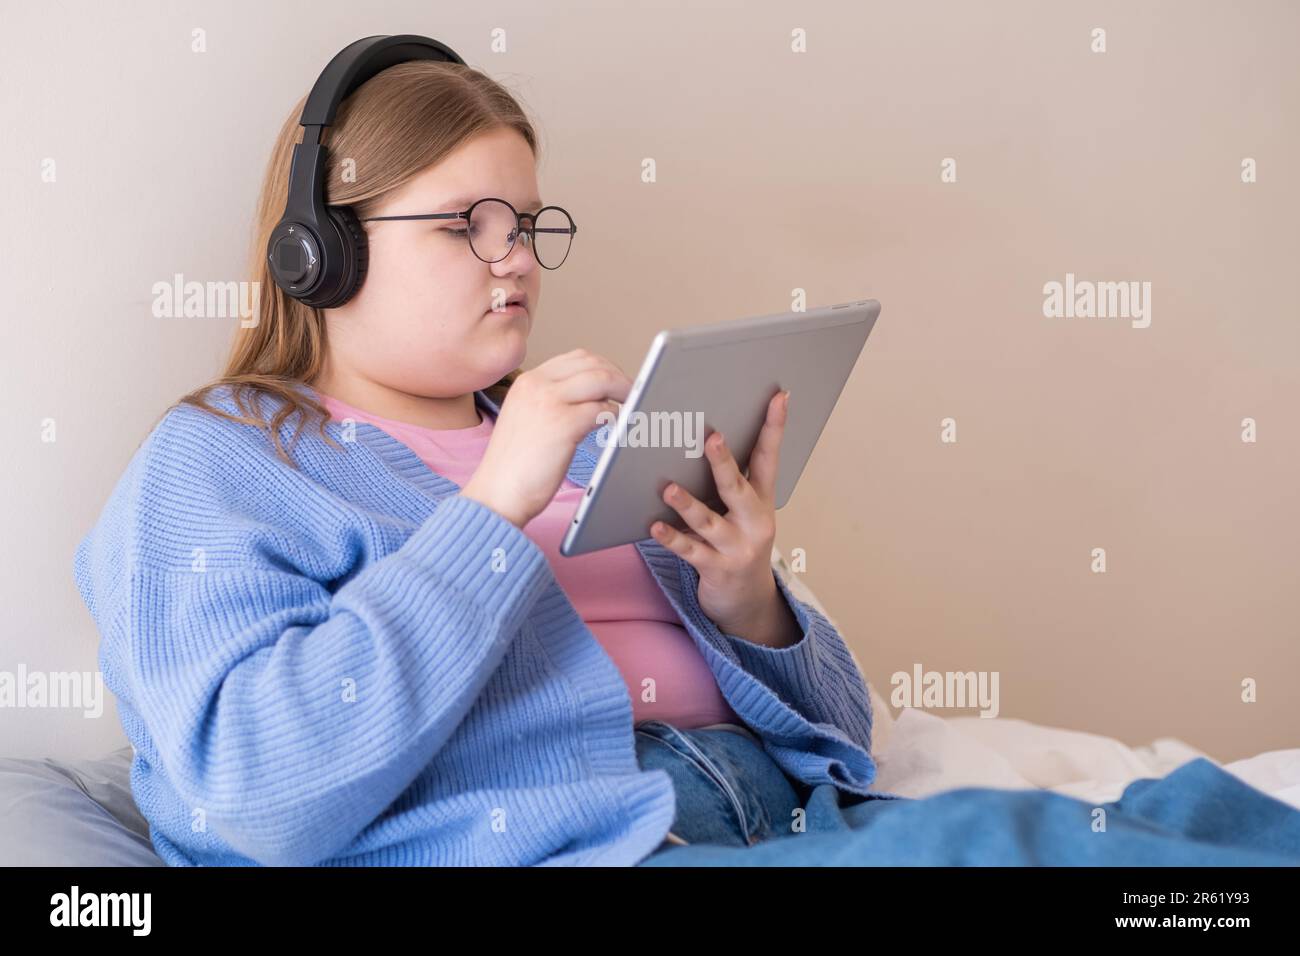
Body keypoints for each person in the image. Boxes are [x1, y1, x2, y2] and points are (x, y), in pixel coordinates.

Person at [72, 55, 884, 867]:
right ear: (319, 253)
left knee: (995, 829)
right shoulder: (219, 456)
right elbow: (255, 788)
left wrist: (752, 609)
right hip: (570, 846)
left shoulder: (598, 439)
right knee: (999, 840)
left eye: (527, 224)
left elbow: (849, 742)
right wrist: (490, 509)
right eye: (467, 225)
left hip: (788, 821)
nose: (519, 258)